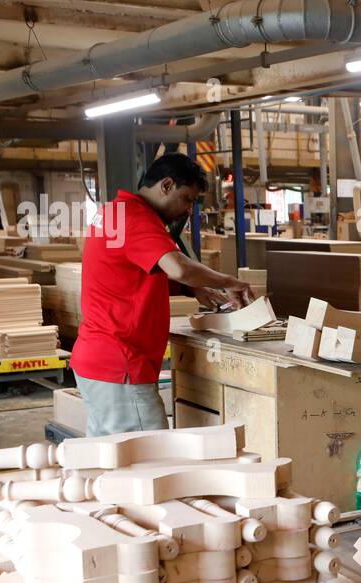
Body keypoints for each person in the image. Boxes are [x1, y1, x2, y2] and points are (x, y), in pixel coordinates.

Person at [72, 153, 254, 437]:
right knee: (149, 461)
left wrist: (193, 288)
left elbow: (128, 272)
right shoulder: (137, 218)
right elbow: (177, 267)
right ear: (166, 185)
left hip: (99, 359)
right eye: (187, 199)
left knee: (111, 459)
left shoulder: (114, 211)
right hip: (122, 364)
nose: (188, 210)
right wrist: (231, 282)